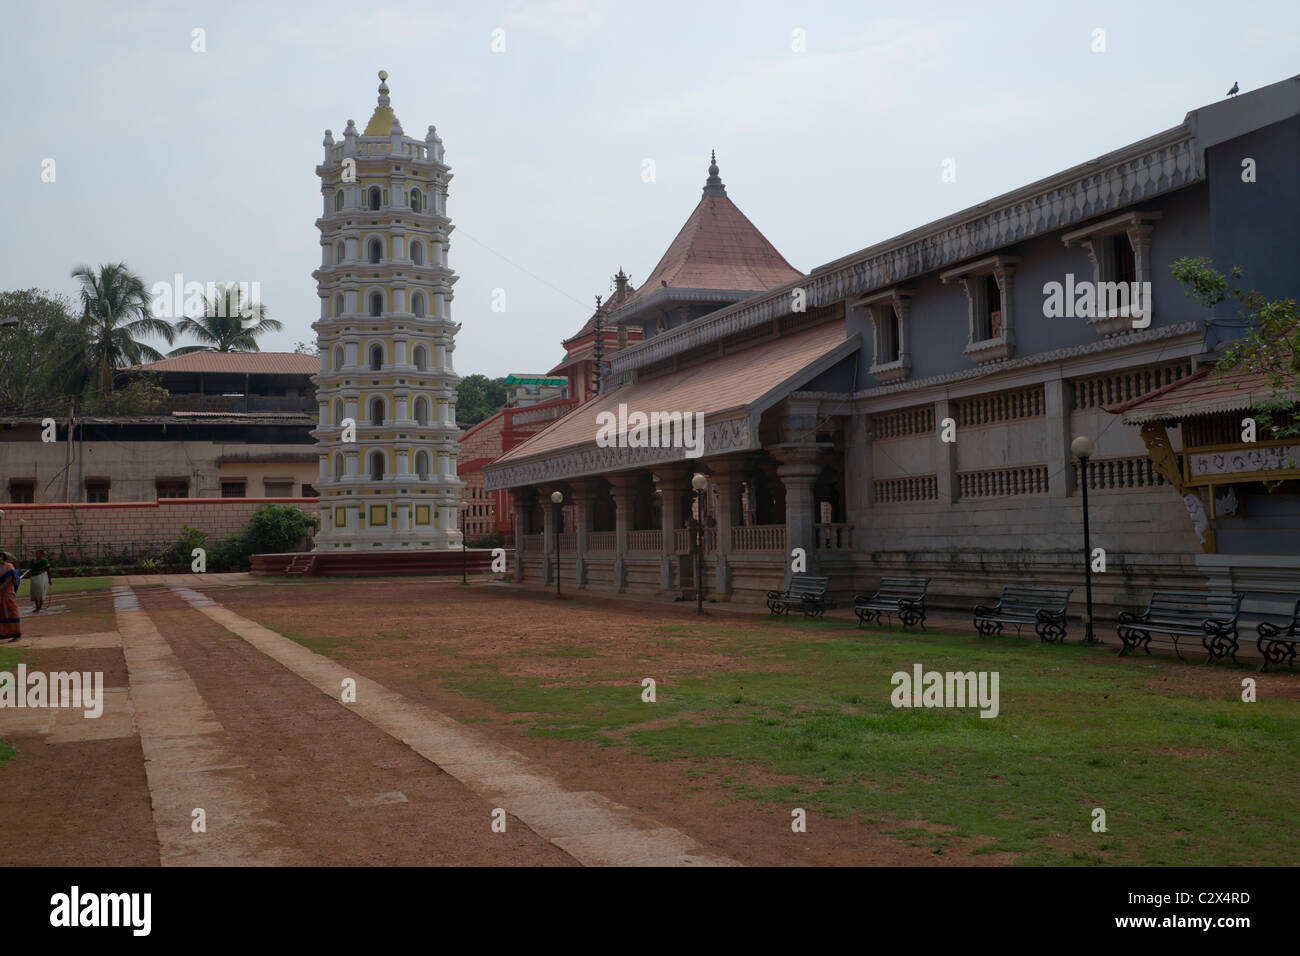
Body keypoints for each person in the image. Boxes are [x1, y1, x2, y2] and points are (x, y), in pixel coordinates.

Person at [0, 551, 20, 643]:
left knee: (12, 612)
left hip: (8, 593)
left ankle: (16, 635)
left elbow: (8, 581)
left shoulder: (9, 566)